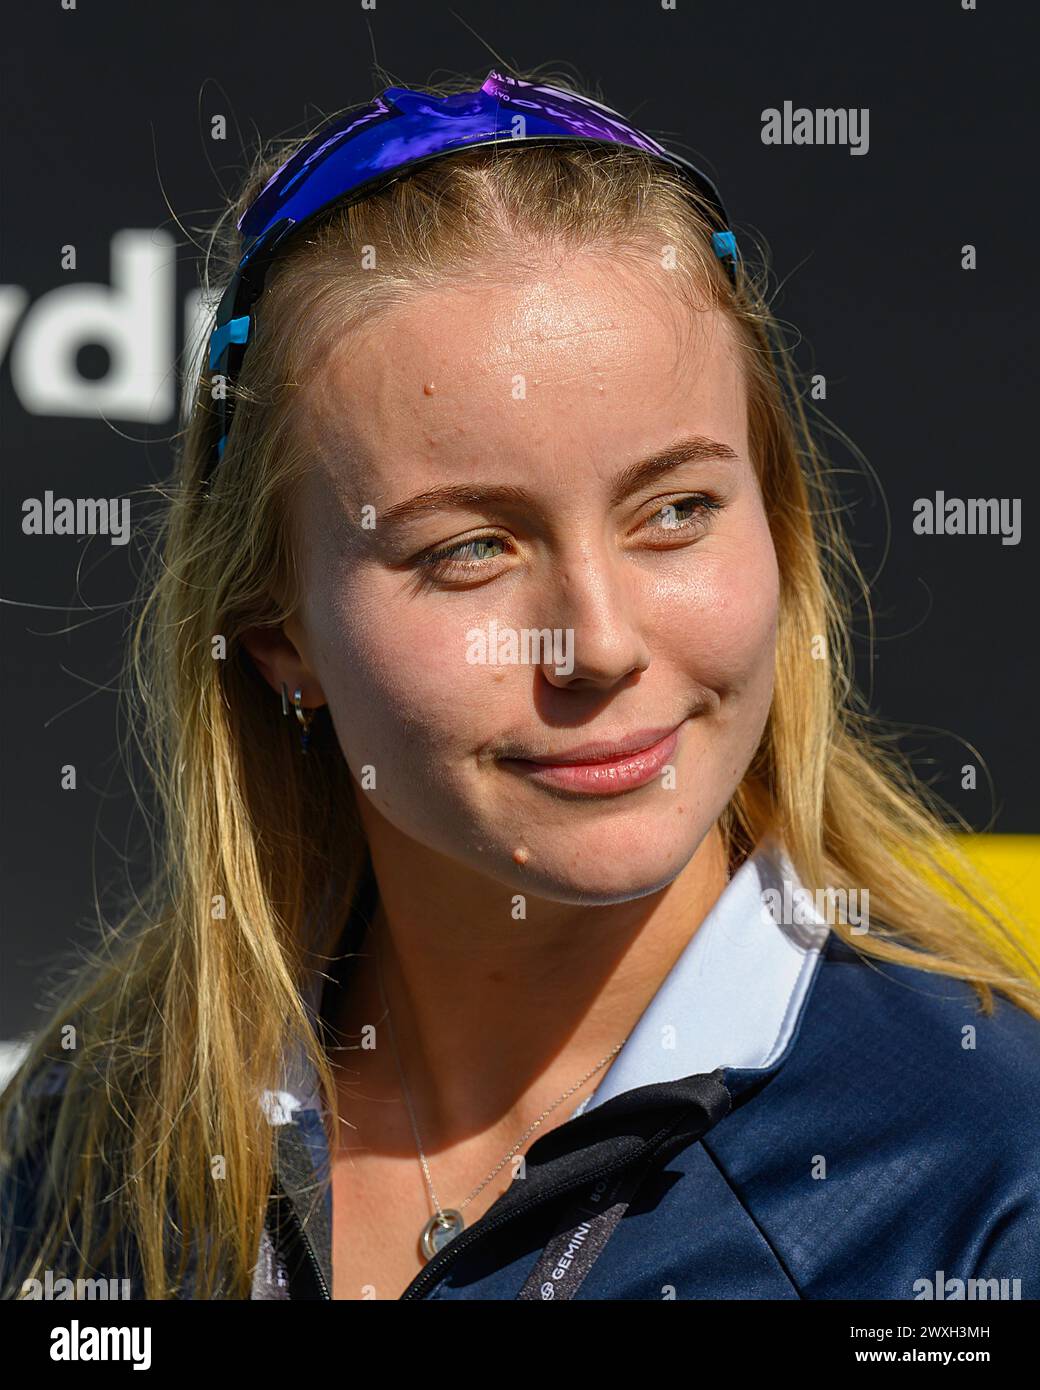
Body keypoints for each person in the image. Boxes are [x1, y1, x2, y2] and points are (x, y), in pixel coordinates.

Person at [2, 66, 1038, 1303]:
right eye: (468, 549)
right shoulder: (100, 1140)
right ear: (273, 629)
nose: (596, 644)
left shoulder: (983, 1187)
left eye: (675, 511)